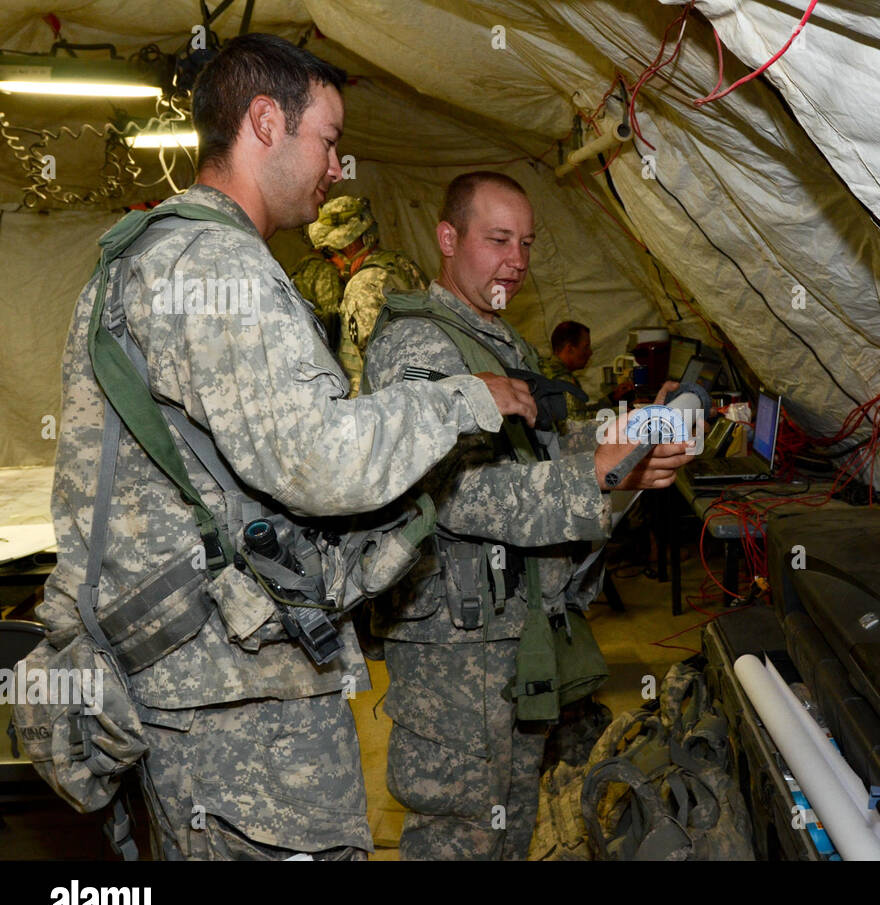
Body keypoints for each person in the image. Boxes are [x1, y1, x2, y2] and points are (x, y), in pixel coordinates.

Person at [35, 34, 534, 861]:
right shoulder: (216, 263)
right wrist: (463, 399)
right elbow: (316, 461)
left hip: (181, 679)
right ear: (266, 122)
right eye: (328, 141)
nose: (337, 168)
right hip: (233, 700)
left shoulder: (144, 254)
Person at [363, 170, 692, 859]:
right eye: (499, 239)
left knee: (511, 820)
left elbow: (531, 453)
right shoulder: (419, 347)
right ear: (448, 239)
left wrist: (622, 453)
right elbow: (456, 493)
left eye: (528, 244)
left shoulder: (498, 341)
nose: (517, 259)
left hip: (515, 631)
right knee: (462, 832)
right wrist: (598, 473)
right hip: (456, 650)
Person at [291, 195, 427, 397]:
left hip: (378, 401)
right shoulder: (401, 264)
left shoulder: (362, 286)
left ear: (350, 245)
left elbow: (379, 362)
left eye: (330, 253)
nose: (332, 263)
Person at [539, 320, 633, 423]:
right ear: (570, 349)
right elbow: (577, 423)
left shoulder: (554, 371)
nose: (590, 352)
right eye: (586, 346)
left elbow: (581, 412)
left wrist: (611, 399)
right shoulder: (561, 380)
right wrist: (622, 413)